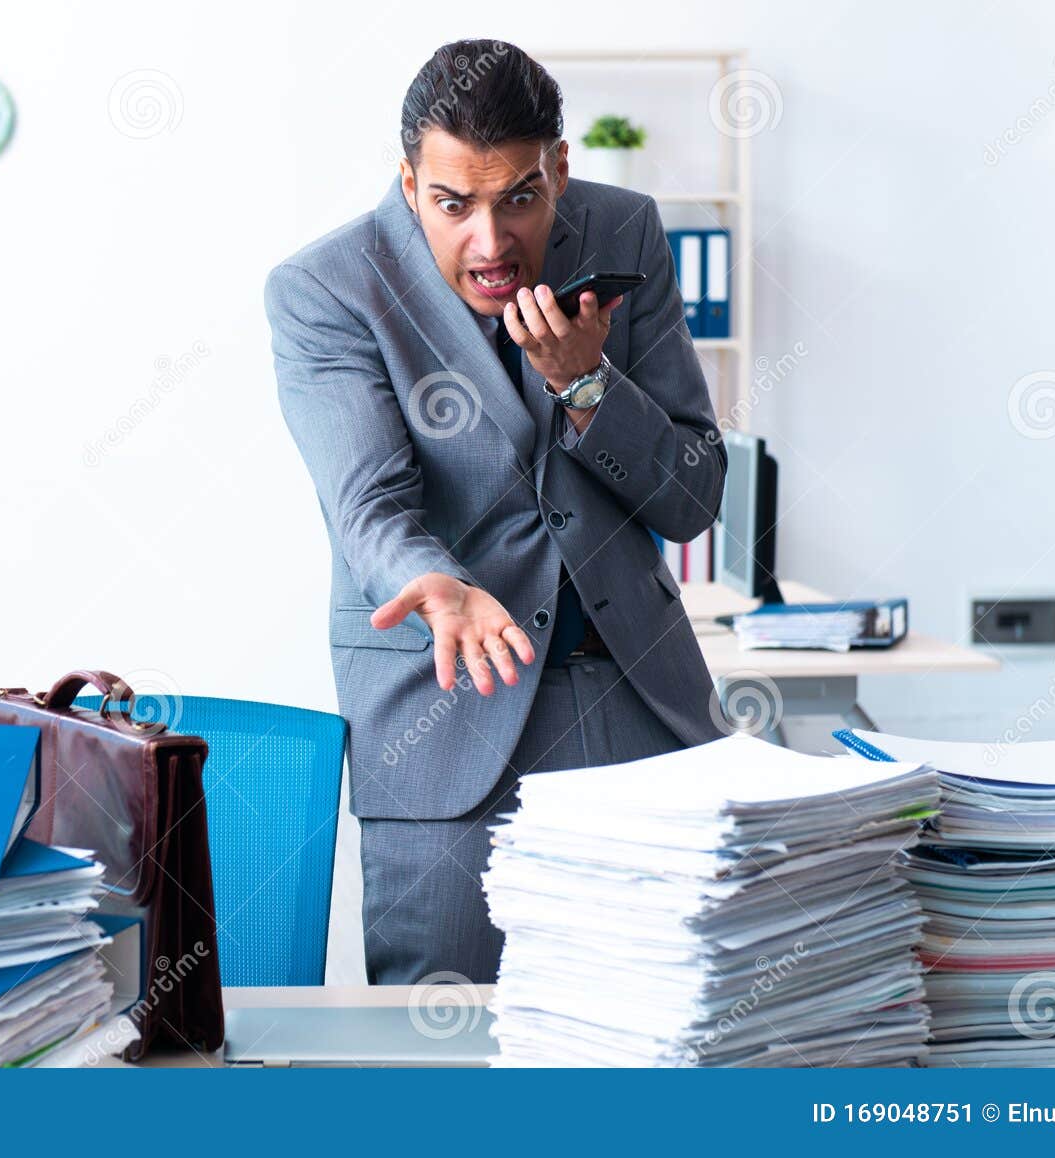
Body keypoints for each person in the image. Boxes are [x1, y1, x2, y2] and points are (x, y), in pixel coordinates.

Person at [265, 38, 728, 985]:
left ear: (559, 167)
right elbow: (369, 507)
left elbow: (691, 497)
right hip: (449, 717)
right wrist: (434, 585)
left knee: (665, 1026)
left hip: (636, 708)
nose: (490, 240)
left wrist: (588, 383)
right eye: (453, 203)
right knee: (441, 1056)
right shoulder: (327, 289)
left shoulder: (621, 229)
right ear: (407, 182)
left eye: (519, 195)